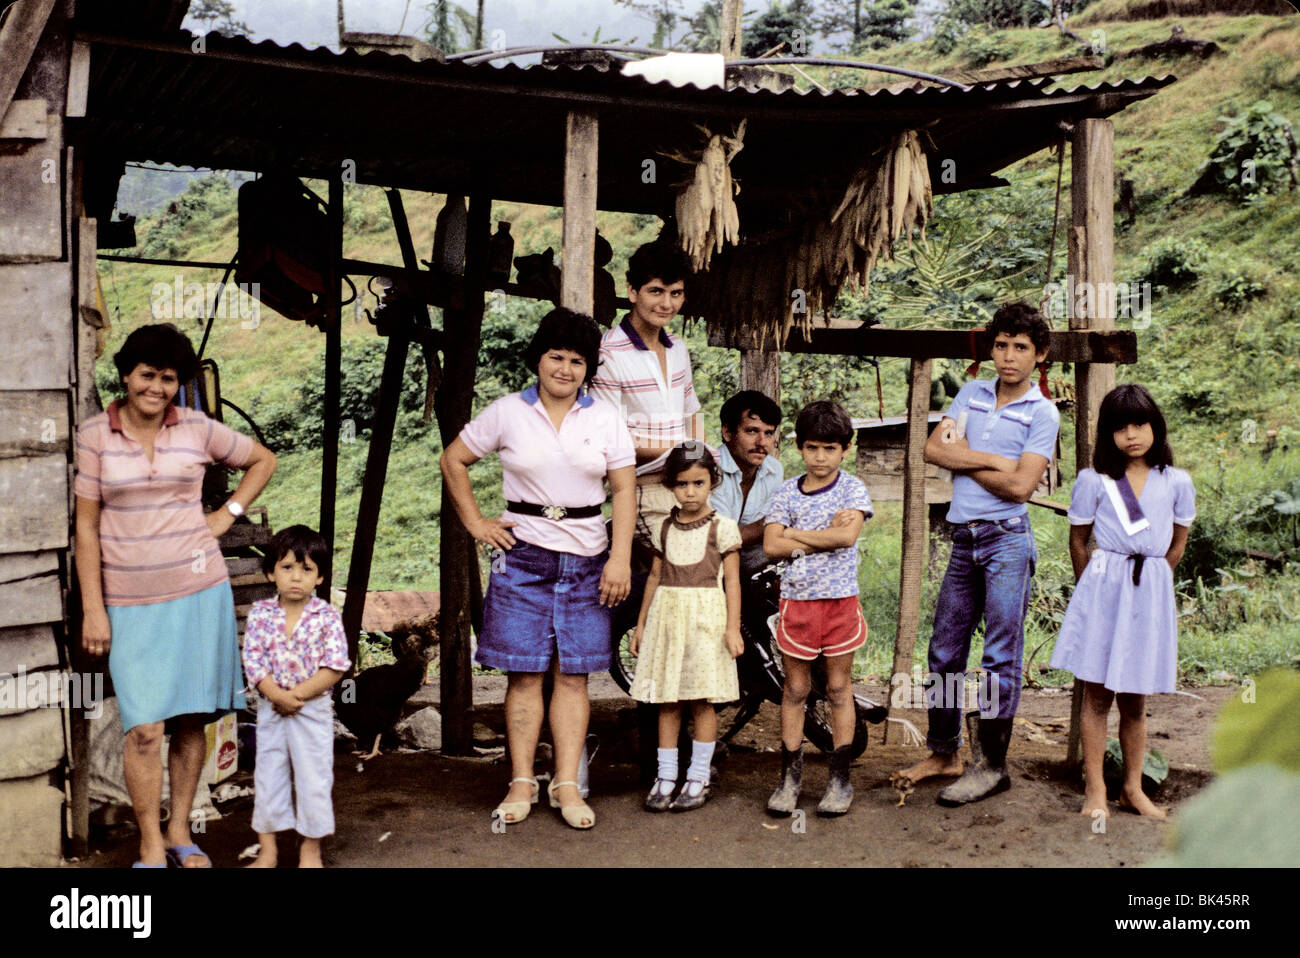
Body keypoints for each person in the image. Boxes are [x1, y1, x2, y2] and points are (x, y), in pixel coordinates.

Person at [74, 323, 277, 867]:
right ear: (125, 375)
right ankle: (148, 841)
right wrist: (94, 607)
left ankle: (180, 830)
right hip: (130, 604)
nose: (157, 388)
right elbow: (86, 528)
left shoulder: (197, 428)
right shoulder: (96, 435)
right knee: (143, 728)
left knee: (191, 719)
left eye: (168, 379)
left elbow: (264, 460)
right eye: (147, 375)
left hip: (196, 593)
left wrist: (224, 516)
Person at [440, 308, 636, 829]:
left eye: (576, 361)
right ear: (538, 359)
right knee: (523, 675)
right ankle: (522, 781)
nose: (565, 369)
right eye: (556, 357)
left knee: (573, 677)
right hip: (520, 557)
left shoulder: (605, 418)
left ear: (588, 368)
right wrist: (477, 523)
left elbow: (623, 489)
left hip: (588, 559)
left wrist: (618, 557)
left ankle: (567, 784)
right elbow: (453, 460)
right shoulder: (506, 412)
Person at [895, 301, 1060, 808]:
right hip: (963, 539)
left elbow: (1020, 489)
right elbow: (933, 450)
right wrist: (992, 459)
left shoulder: (1042, 412)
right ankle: (945, 752)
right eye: (1001, 345)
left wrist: (965, 459)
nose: (1009, 357)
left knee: (999, 656)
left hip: (1008, 538)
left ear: (1040, 355)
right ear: (991, 348)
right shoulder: (970, 392)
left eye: (1021, 348)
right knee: (944, 652)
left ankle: (992, 764)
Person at [1050, 385, 1193, 820]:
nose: (1132, 435)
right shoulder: (1094, 480)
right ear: (1107, 434)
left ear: (1156, 427)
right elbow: (1078, 540)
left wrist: (1152, 584)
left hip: (1149, 590)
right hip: (1104, 589)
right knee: (1097, 695)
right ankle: (1095, 788)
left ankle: (1133, 788)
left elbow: (1177, 545)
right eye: (1120, 427)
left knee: (1135, 700)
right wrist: (1091, 593)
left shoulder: (1177, 481)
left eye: (1140, 424)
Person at [762, 401, 874, 817]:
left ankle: (839, 779)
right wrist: (822, 532)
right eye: (812, 448)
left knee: (839, 689)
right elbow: (772, 545)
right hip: (797, 604)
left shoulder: (852, 489)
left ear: (845, 448)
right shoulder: (787, 492)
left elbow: (847, 539)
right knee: (794, 690)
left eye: (830, 448)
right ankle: (790, 779)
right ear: (798, 447)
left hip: (840, 602)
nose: (820, 457)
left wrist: (795, 534)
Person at [629, 442, 743, 812]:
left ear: (712, 482)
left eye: (698, 483)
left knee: (701, 700)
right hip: (668, 618)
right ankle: (665, 776)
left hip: (706, 623)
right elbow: (654, 577)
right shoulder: (665, 527)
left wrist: (733, 629)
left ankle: (697, 776)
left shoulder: (723, 529)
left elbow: (733, 583)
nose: (690, 491)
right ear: (670, 486)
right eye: (682, 484)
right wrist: (641, 625)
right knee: (668, 700)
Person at [242, 526, 350, 867]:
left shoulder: (327, 617)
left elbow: (334, 666)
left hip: (311, 708)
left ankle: (310, 848)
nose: (296, 577)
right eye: (287, 567)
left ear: (319, 577)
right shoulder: (260, 614)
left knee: (313, 777)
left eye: (306, 569)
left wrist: (296, 696)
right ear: (271, 572)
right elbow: (254, 662)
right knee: (268, 774)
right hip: (272, 708)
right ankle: (269, 849)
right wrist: (276, 695)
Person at [589, 242, 705, 553]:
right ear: (632, 292)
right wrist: (679, 451)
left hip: (689, 485)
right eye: (656, 291)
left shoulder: (678, 347)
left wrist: (696, 460)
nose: (667, 303)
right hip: (642, 489)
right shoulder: (608, 354)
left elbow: (692, 414)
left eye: (676, 293)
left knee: (719, 562)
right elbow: (609, 439)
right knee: (686, 562)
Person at [711, 391, 783, 577]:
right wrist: (774, 521)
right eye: (752, 431)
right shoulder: (709, 470)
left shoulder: (774, 469)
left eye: (768, 433)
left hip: (747, 556)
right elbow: (721, 539)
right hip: (708, 562)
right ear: (728, 433)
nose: (762, 442)